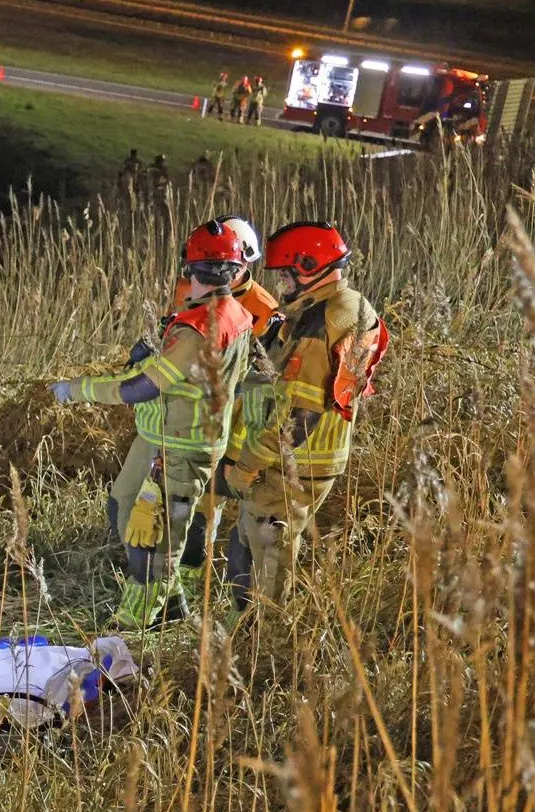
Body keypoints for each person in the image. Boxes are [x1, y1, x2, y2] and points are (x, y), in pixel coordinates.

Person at [53, 223, 252, 628]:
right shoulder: (234, 315)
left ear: (191, 269)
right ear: (235, 270)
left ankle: (134, 625)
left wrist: (77, 389)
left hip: (181, 446)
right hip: (166, 437)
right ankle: (173, 607)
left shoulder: (201, 329)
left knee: (156, 542)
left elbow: (143, 387)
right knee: (127, 508)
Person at [222, 223, 388, 608]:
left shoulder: (319, 324)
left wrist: (247, 464)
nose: (280, 282)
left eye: (286, 273)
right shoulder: (349, 304)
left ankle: (265, 632)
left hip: (296, 458)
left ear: (310, 266)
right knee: (251, 538)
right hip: (319, 452)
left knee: (268, 549)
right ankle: (249, 625)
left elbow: (299, 416)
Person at [168, 217, 280, 595]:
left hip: (232, 426)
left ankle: (201, 583)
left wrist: (239, 449)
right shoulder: (189, 288)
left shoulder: (264, 310)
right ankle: (182, 581)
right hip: (190, 420)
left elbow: (262, 383)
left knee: (211, 507)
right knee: (184, 508)